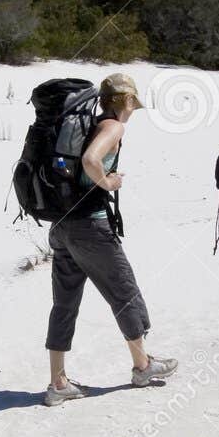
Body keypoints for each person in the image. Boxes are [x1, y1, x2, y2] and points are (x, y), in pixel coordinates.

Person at [44, 71, 177, 406]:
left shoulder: (84, 124)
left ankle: (57, 382)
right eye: (133, 102)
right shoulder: (113, 126)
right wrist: (108, 182)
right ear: (127, 101)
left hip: (61, 225)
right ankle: (143, 366)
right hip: (90, 227)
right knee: (124, 292)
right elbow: (90, 160)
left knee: (64, 303)